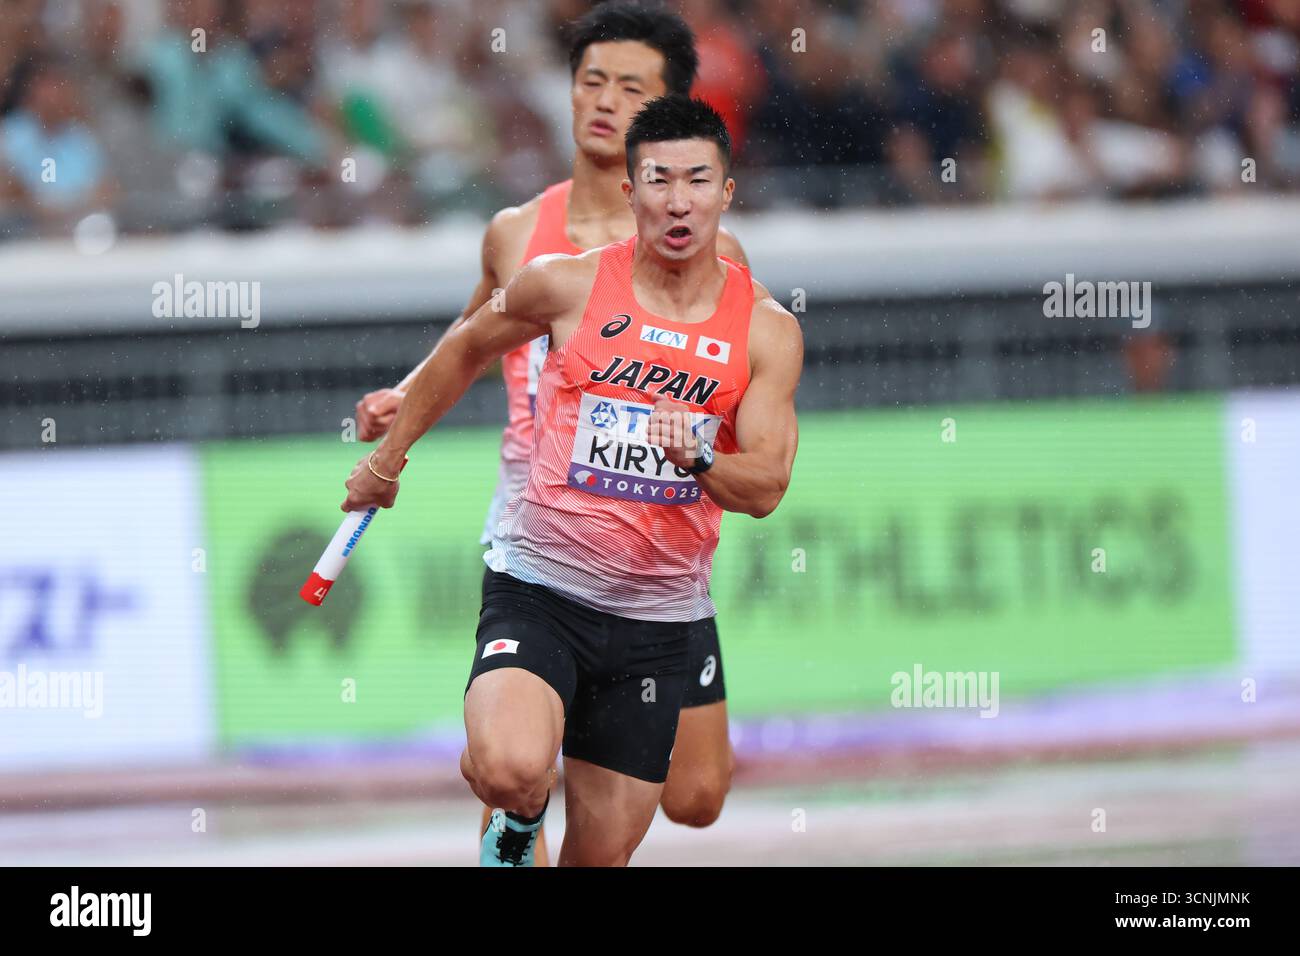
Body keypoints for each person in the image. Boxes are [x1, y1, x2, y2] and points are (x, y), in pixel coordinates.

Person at [341, 94, 803, 866]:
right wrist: (387, 462)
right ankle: (516, 816)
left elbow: (767, 486)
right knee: (510, 769)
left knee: (604, 853)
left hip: (657, 630)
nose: (678, 200)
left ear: (728, 193)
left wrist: (699, 459)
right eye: (658, 180)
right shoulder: (563, 285)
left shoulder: (765, 330)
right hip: (541, 592)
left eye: (698, 180)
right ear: (630, 193)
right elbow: (464, 348)